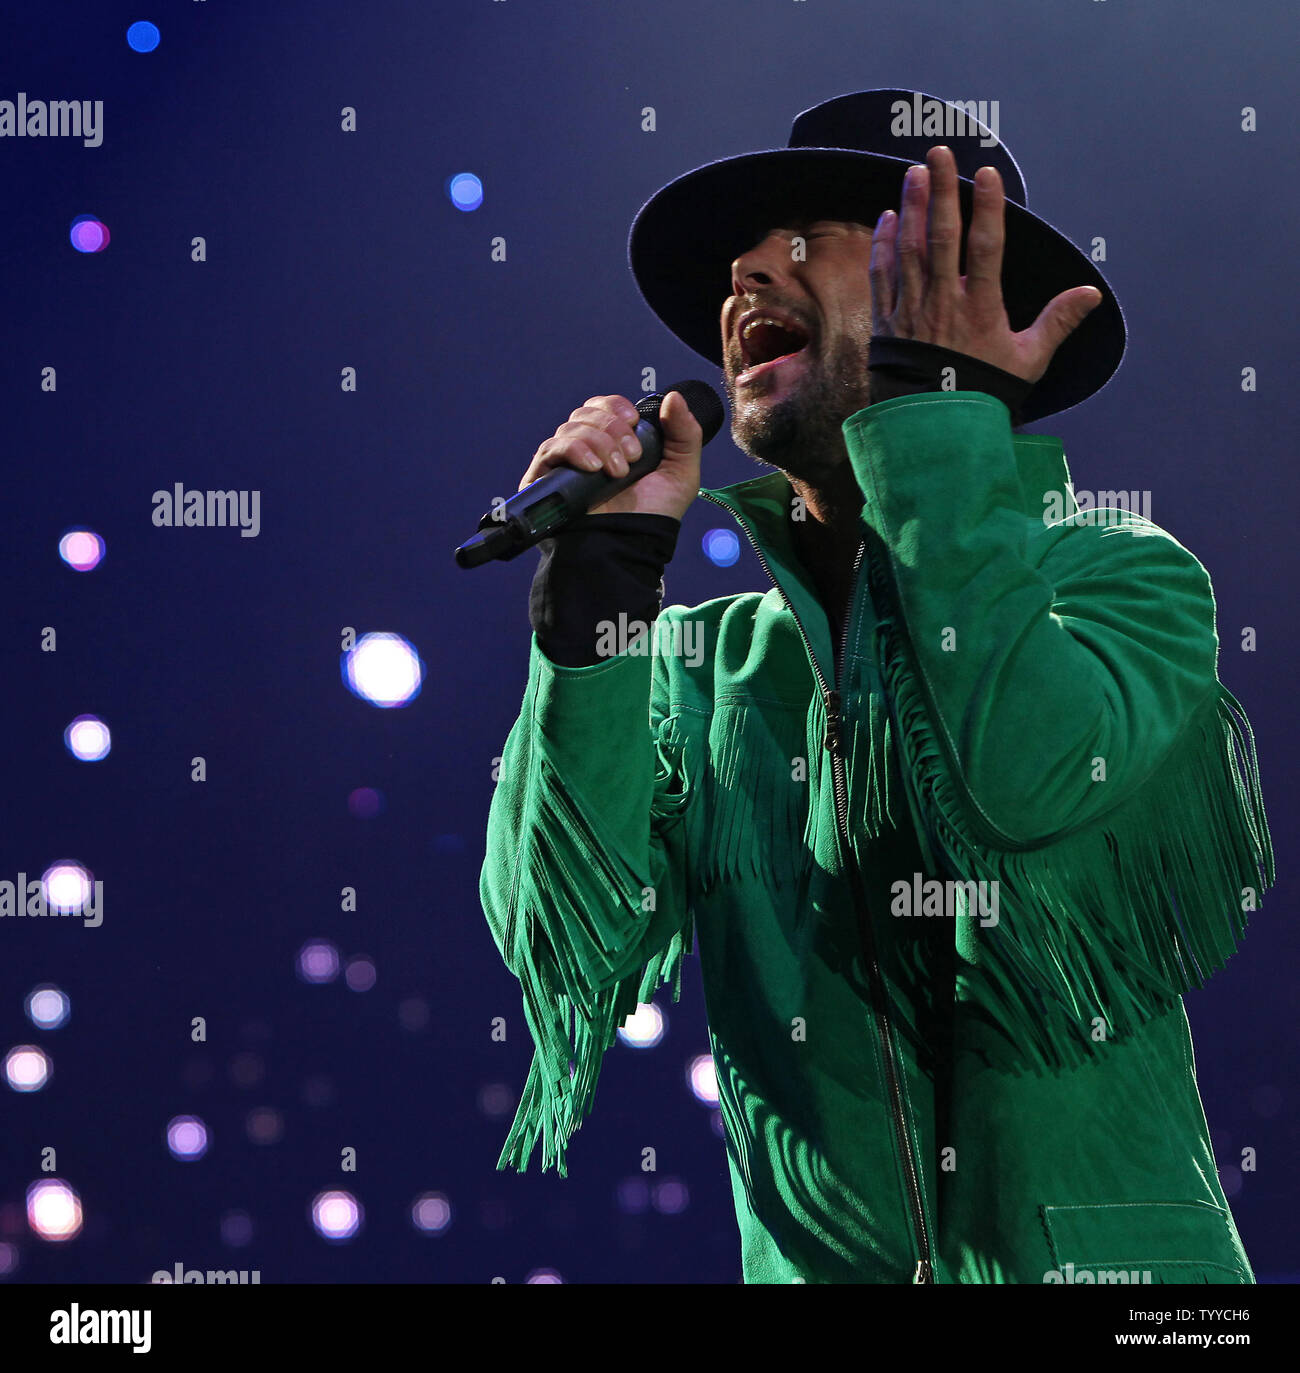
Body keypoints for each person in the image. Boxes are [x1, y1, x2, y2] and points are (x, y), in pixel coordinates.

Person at [478, 90, 1274, 1283]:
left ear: (955, 293)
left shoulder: (1120, 581)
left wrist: (933, 433)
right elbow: (562, 941)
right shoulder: (698, 667)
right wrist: (595, 609)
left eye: (804, 242)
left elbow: (1020, 785)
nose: (745, 281)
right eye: (738, 271)